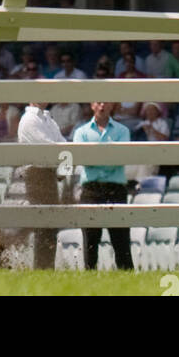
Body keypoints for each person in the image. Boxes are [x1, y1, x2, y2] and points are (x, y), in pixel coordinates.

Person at [73, 101, 134, 270]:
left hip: (114, 188)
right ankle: (90, 276)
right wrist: (107, 159)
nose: (101, 106)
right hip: (92, 189)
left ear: (111, 105)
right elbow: (83, 159)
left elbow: (119, 159)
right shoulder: (81, 131)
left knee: (120, 238)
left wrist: (95, 160)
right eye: (98, 102)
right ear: (92, 105)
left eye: (105, 103)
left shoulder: (122, 130)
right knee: (90, 238)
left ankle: (126, 277)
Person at [18, 102, 67, 270]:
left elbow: (62, 145)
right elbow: (51, 147)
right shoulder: (30, 120)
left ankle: (45, 267)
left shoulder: (47, 119)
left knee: (50, 224)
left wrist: (62, 161)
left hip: (48, 173)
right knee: (44, 223)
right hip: (37, 173)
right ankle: (42, 267)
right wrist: (63, 162)